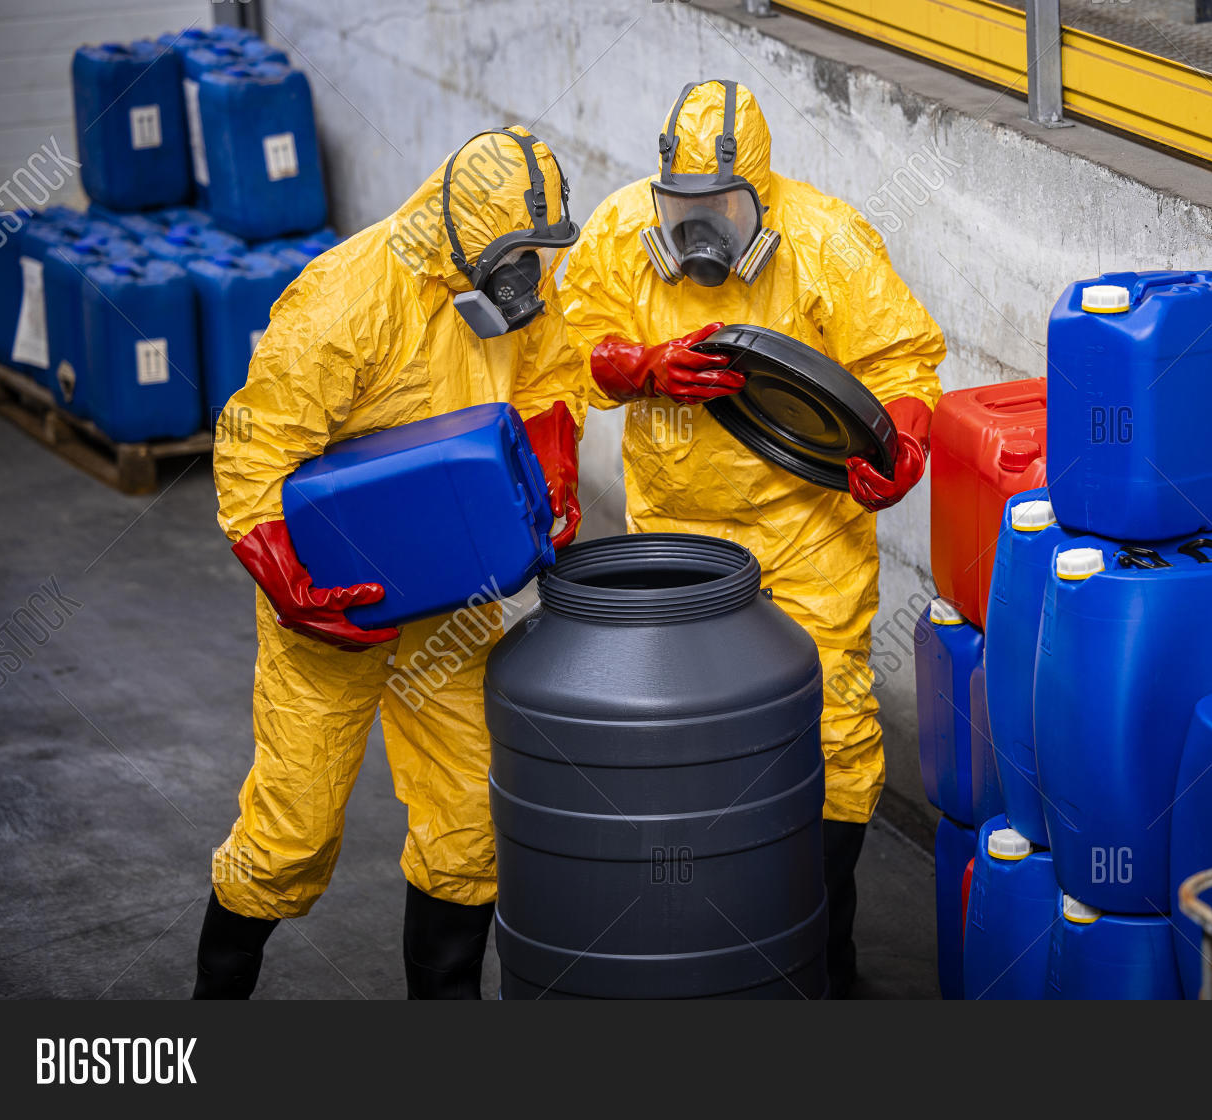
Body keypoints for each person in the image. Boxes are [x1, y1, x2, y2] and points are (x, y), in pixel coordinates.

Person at [561, 80, 945, 997]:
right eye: (681, 207)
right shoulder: (619, 234)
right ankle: (693, 929)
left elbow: (903, 358)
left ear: (759, 198)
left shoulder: (827, 242)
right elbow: (565, 344)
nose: (698, 231)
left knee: (834, 731)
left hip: (807, 530)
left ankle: (821, 949)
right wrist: (639, 366)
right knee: (680, 732)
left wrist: (907, 438)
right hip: (678, 534)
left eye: (719, 209)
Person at [195, 126, 590, 999]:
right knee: (292, 831)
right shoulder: (346, 300)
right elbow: (256, 451)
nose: (530, 278)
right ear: (461, 240)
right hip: (332, 596)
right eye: (513, 257)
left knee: (469, 823)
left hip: (449, 590)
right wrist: (294, 584)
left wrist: (552, 461)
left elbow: (548, 379)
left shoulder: (522, 284)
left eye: (542, 252)